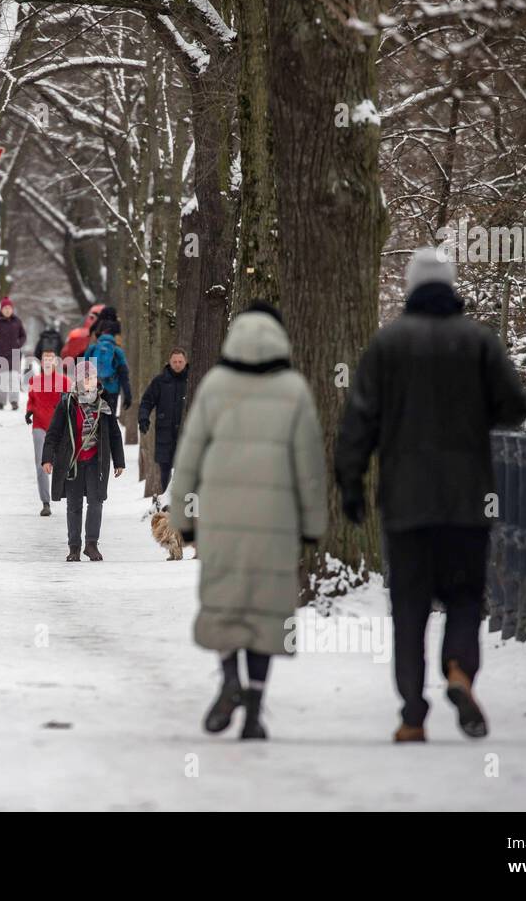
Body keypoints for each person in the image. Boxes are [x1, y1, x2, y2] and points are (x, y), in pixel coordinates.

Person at [335, 247, 526, 744]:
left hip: (406, 502)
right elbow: (515, 405)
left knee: (409, 608)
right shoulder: (478, 341)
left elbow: (359, 422)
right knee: (466, 596)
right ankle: (460, 671)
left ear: (409, 288)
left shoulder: (388, 346)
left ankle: (412, 714)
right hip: (468, 501)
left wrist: (352, 486)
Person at [170, 302, 326, 741]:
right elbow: (309, 465)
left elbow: (189, 456)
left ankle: (229, 680)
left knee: (224, 603)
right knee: (264, 612)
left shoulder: (216, 386)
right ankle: (254, 710)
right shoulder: (294, 390)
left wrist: (182, 516)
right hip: (276, 523)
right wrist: (313, 523)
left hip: (221, 518)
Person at [41, 361, 126, 562]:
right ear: (78, 380)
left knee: (96, 502)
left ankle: (91, 544)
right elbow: (53, 433)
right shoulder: (68, 403)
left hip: (97, 462)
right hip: (73, 463)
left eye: (93, 377)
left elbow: (114, 435)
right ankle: (74, 548)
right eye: (86, 378)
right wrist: (47, 458)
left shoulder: (104, 404)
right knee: (74, 505)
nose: (90, 381)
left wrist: (119, 461)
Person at [25, 346, 71, 517]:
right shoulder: (34, 381)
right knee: (40, 464)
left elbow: (70, 401)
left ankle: (65, 497)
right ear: (41, 362)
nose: (48, 362)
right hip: (39, 424)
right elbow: (31, 400)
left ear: (56, 362)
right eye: (45, 359)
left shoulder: (65, 381)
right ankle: (45, 502)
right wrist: (29, 411)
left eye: (51, 359)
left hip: (59, 428)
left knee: (62, 462)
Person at [138, 347, 189, 493]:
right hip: (164, 435)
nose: (178, 364)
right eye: (175, 362)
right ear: (169, 362)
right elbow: (147, 401)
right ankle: (166, 506)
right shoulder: (160, 382)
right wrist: (143, 418)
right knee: (165, 473)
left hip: (186, 435)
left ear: (185, 362)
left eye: (180, 361)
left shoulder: (191, 380)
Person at [83, 309, 132, 415]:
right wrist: (127, 394)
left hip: (94, 389)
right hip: (112, 391)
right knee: (110, 422)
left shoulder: (92, 349)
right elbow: (124, 374)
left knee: (94, 421)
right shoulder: (117, 351)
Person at [0, 297, 26, 410]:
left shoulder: (17, 321)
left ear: (12, 309)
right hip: (1, 353)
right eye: (5, 308)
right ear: (1, 310)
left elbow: (23, 335)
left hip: (15, 353)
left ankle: (14, 401)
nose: (7, 310)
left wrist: (19, 343)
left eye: (9, 308)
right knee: (2, 379)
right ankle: (1, 402)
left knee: (14, 379)